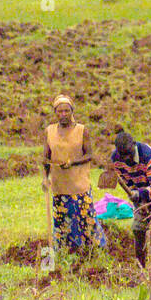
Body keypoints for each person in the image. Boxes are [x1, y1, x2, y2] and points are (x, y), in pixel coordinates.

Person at [42, 95, 105, 254]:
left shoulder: (81, 130)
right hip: (59, 185)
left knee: (86, 218)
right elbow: (46, 158)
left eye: (66, 111)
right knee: (63, 220)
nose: (63, 114)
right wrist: (45, 178)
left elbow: (89, 154)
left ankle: (94, 249)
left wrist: (73, 162)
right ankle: (67, 251)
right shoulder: (49, 131)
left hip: (79, 184)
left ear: (72, 111)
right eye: (59, 111)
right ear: (55, 113)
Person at [109, 130, 151, 265]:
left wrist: (139, 194)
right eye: (123, 155)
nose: (127, 159)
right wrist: (138, 199)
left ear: (134, 145)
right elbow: (128, 182)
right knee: (138, 229)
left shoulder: (147, 155)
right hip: (141, 191)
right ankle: (142, 267)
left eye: (129, 154)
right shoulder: (117, 159)